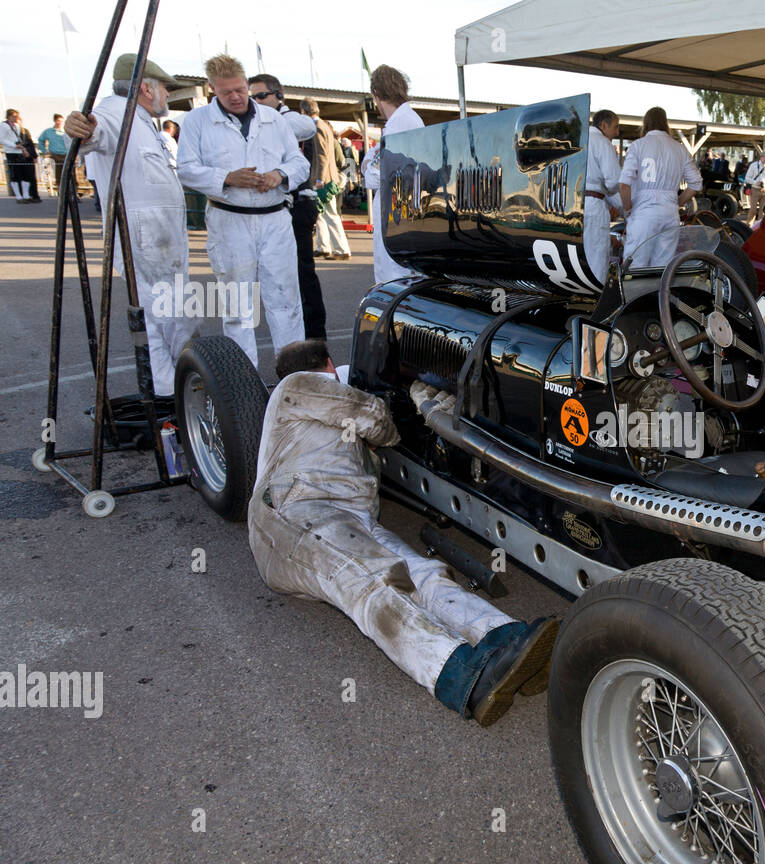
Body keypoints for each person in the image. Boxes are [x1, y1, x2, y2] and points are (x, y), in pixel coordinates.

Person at [248, 340, 558, 727]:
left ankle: (505, 638)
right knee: (371, 580)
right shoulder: (296, 384)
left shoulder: (305, 414)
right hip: (296, 513)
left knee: (422, 572)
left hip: (352, 517)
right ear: (328, 365)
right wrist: (400, 419)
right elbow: (371, 416)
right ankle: (458, 673)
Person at [64, 55, 198, 399]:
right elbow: (92, 133)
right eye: (165, 88)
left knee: (170, 307)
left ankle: (177, 376)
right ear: (145, 88)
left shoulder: (140, 121)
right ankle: (166, 385)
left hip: (159, 238)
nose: (168, 94)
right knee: (156, 309)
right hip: (144, 238)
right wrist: (80, 127)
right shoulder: (114, 114)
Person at [178, 56, 308, 369]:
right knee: (238, 307)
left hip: (275, 219)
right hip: (229, 221)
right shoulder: (196, 121)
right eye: (226, 93)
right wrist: (226, 177)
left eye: (239, 89)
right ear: (212, 89)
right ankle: (243, 384)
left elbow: (299, 162)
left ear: (247, 83)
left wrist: (279, 174)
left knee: (286, 302)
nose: (235, 97)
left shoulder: (273, 119)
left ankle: (295, 377)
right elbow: (185, 169)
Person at [246, 76, 328, 344]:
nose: (255, 103)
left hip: (297, 204)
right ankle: (296, 337)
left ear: (277, 96)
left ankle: (315, 338)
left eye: (261, 96)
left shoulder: (288, 119)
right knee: (279, 277)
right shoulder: (255, 122)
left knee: (302, 274)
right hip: (271, 209)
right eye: (252, 98)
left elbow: (306, 126)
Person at [361, 64, 425, 285]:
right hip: (401, 214)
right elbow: (371, 163)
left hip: (396, 216)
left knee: (394, 285)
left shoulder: (400, 125)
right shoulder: (405, 120)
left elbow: (371, 176)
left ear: (376, 94)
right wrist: (371, 161)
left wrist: (370, 161)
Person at [617, 106, 701, 268]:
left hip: (643, 212)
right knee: (662, 267)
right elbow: (696, 183)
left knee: (636, 265)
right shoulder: (679, 148)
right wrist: (678, 202)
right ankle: (657, 294)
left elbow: (624, 184)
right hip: (670, 213)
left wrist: (627, 209)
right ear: (665, 123)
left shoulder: (638, 146)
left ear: (646, 123)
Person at [299, 97, 351, 263]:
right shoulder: (323, 125)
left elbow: (322, 155)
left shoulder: (317, 127)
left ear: (304, 111)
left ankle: (341, 249)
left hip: (324, 178)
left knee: (329, 214)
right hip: (326, 177)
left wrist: (320, 178)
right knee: (321, 214)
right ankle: (323, 247)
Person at [583, 108, 622, 280]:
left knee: (580, 253)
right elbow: (613, 182)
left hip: (573, 204)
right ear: (603, 124)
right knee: (597, 253)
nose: (617, 132)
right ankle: (597, 297)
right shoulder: (602, 142)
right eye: (615, 127)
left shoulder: (580, 140)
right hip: (594, 205)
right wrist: (625, 207)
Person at [2, 109, 41, 203]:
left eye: (17, 116)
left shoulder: (17, 127)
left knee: (25, 174)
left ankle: (26, 195)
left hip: (20, 152)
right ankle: (19, 197)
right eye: (14, 116)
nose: (16, 118)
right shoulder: (3, 126)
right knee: (15, 175)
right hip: (11, 153)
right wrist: (14, 145)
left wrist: (23, 149)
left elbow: (19, 139)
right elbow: (2, 139)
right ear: (9, 116)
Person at [38, 114, 70, 193]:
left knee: (70, 174)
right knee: (59, 174)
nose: (60, 123)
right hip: (55, 155)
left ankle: (73, 193)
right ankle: (61, 192)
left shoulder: (66, 131)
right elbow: (41, 140)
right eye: (58, 121)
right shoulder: (48, 131)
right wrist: (45, 151)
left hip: (67, 154)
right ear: (55, 121)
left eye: (62, 121)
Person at [742, 152, 765, 221]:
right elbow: (747, 178)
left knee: (762, 211)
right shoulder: (753, 165)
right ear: (763, 157)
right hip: (755, 190)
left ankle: (760, 228)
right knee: (753, 210)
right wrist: (755, 182)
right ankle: (749, 226)